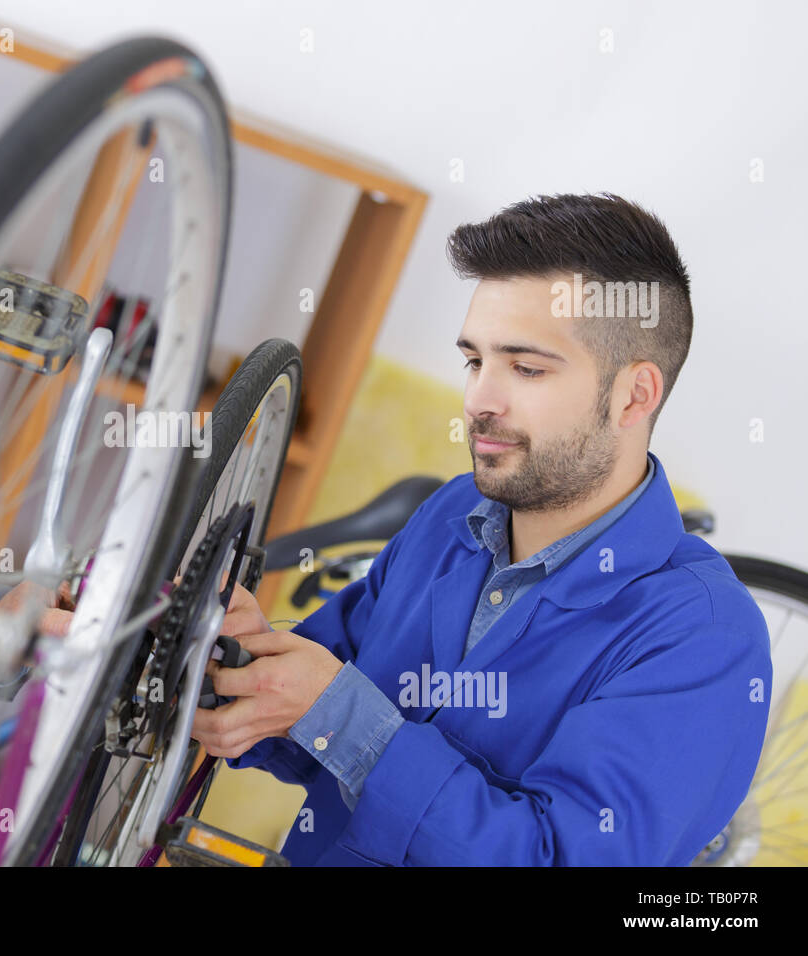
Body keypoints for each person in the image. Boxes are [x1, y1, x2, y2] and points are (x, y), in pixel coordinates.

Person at [191, 194, 772, 866]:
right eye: (475, 361)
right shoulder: (452, 516)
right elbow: (309, 712)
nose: (479, 401)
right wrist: (215, 657)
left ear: (634, 396)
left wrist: (339, 716)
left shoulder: (704, 638)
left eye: (526, 368)